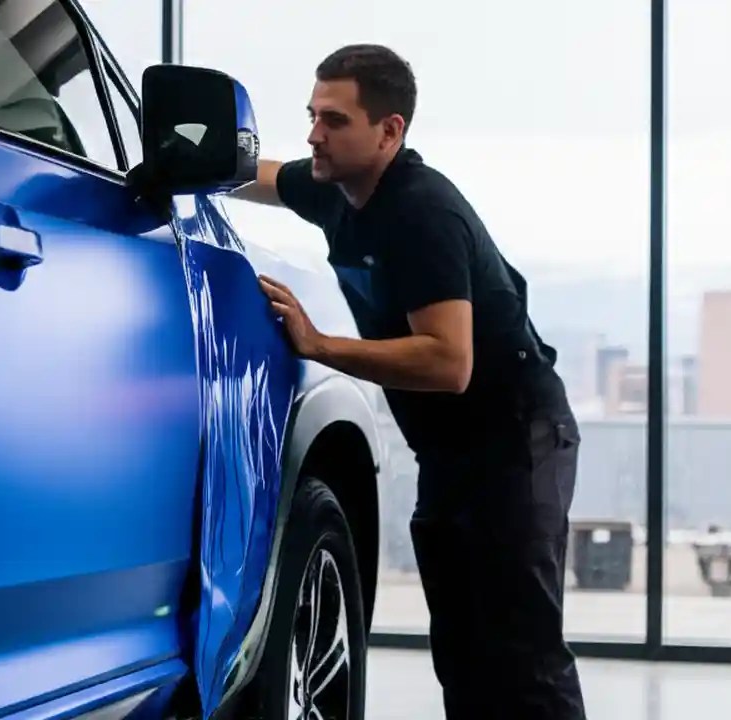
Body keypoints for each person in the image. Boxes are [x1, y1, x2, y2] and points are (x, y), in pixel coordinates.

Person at [235, 44, 588, 719]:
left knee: (523, 656)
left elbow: (448, 363)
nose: (314, 135)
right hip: (450, 454)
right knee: (463, 651)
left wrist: (319, 344)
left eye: (335, 120)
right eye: (312, 116)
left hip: (517, 444)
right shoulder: (338, 189)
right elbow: (266, 176)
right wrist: (189, 162)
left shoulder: (420, 212)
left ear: (389, 130)